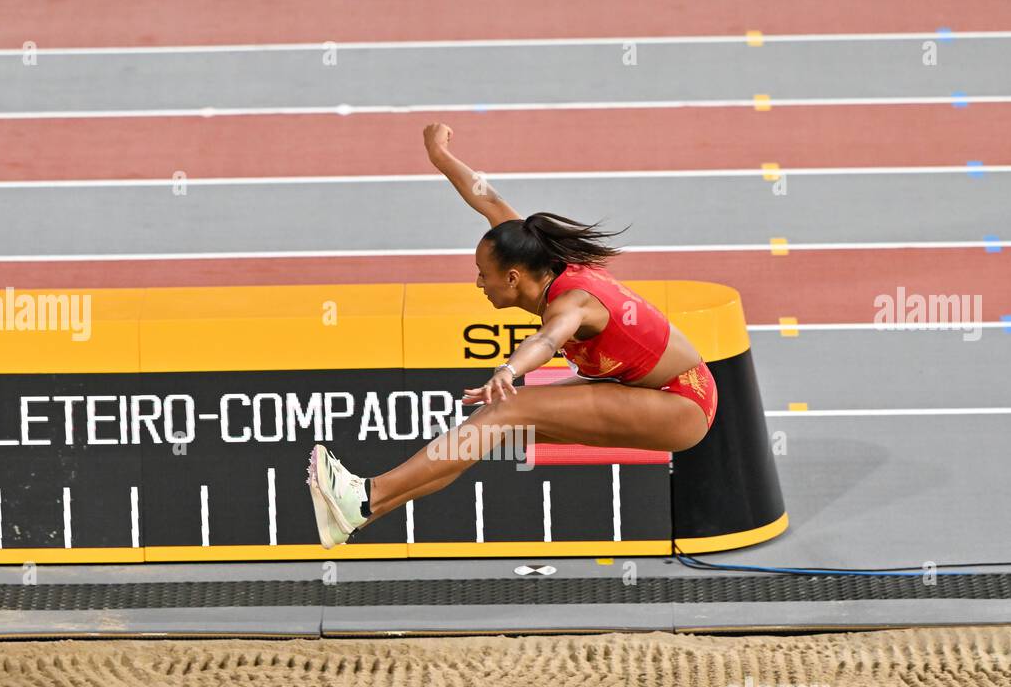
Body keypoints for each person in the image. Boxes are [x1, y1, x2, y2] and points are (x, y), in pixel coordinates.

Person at [307, 123, 717, 549]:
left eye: (484, 276)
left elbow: (547, 340)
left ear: (514, 277)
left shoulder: (572, 302)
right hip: (643, 389)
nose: (479, 284)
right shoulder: (531, 251)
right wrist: (440, 157)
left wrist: (508, 369)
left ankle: (366, 497)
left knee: (506, 412)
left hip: (682, 402)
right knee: (491, 426)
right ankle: (359, 513)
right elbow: (489, 198)